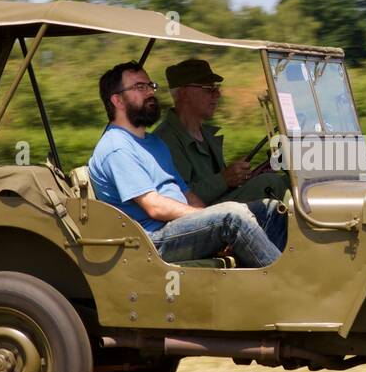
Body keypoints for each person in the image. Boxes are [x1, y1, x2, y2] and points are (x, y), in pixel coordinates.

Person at [87, 61, 284, 267]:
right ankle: (288, 286)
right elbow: (154, 207)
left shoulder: (153, 143)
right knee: (233, 217)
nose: (150, 92)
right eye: (139, 87)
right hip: (151, 240)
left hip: (176, 228)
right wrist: (209, 216)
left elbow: (186, 195)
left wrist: (208, 217)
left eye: (150, 85)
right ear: (117, 100)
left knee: (269, 209)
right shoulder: (117, 147)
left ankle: (274, 274)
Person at [153, 58, 289, 249]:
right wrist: (224, 179)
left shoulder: (205, 135)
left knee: (285, 181)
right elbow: (178, 199)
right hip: (198, 222)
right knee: (270, 184)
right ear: (184, 93)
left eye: (216, 88)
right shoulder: (165, 140)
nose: (217, 94)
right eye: (209, 89)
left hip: (219, 210)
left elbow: (219, 185)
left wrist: (240, 176)